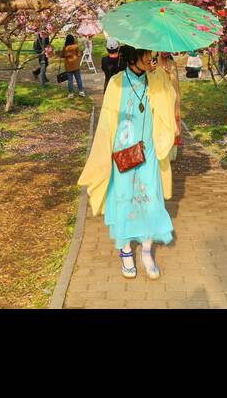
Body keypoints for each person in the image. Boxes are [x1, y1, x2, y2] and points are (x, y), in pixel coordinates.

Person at [77, 46, 177, 279]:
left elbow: (168, 101)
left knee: (150, 199)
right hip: (123, 153)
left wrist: (163, 73)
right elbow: (107, 121)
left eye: (151, 54)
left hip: (148, 151)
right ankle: (125, 252)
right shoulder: (117, 83)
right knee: (125, 199)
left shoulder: (156, 78)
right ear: (133, 56)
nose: (150, 58)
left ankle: (146, 252)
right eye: (146, 55)